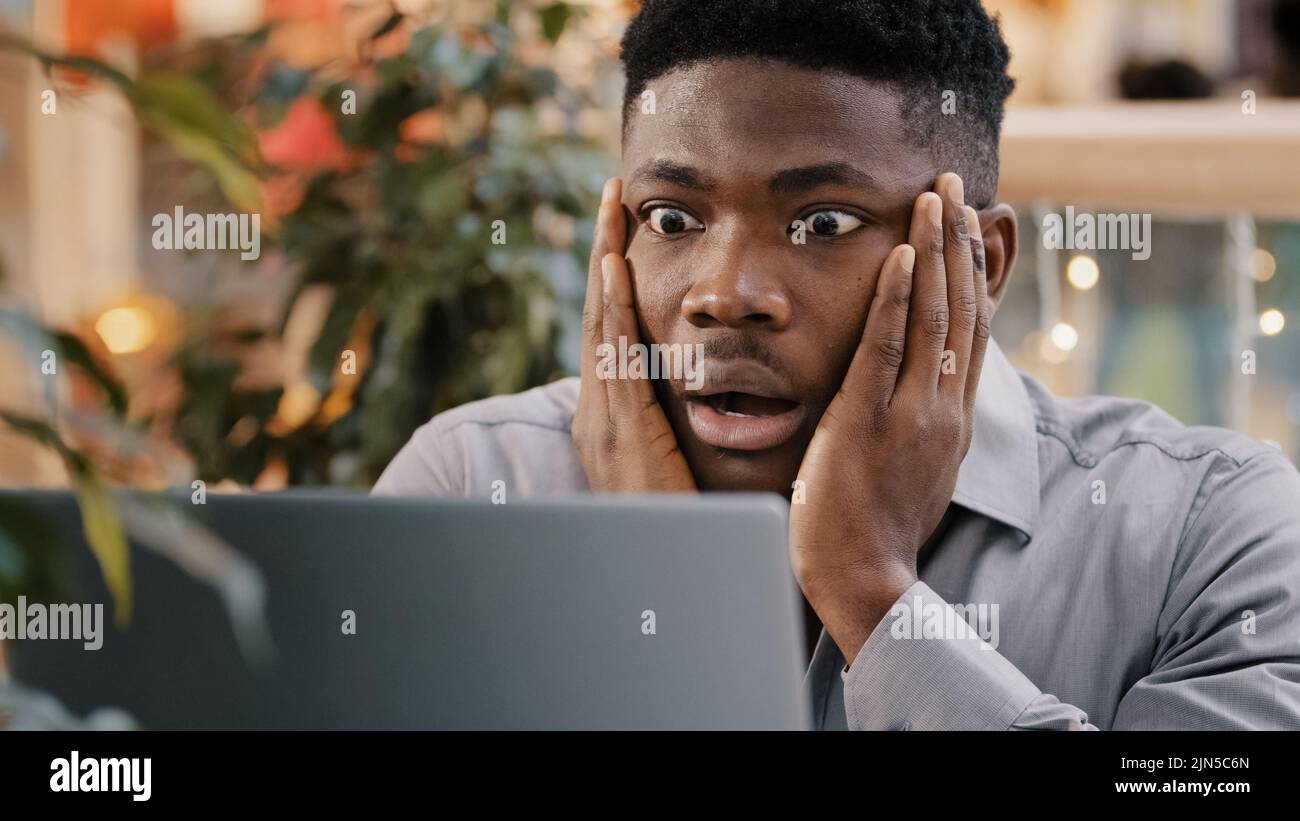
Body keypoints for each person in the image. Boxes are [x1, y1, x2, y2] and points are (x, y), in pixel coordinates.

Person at [374, 0, 1300, 731]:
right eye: (672, 218)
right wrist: (665, 586)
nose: (725, 293)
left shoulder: (1210, 536)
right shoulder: (470, 488)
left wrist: (871, 594)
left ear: (980, 264)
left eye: (823, 222)